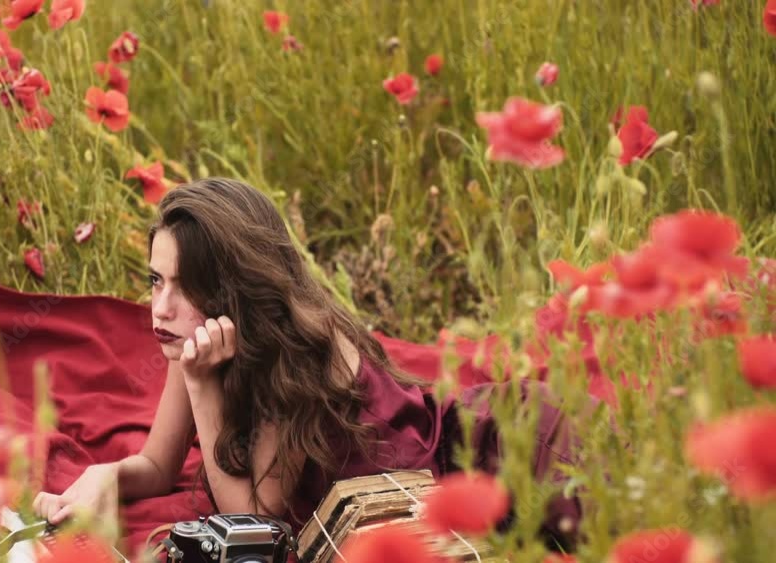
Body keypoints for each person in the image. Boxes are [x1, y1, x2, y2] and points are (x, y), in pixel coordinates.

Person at [32, 177, 581, 550]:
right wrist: (104, 474)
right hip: (410, 490)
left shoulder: (290, 348)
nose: (160, 307)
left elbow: (257, 515)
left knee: (603, 526)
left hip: (495, 449)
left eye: (185, 285)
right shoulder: (190, 335)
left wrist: (202, 385)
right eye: (156, 280)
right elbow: (157, 465)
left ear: (232, 289)